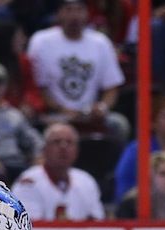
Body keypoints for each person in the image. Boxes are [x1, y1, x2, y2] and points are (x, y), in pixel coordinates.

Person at [27, 0, 129, 142]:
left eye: (79, 10)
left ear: (87, 14)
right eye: (69, 10)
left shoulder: (100, 42)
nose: (74, 16)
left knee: (119, 123)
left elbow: (111, 87)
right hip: (55, 113)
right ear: (59, 14)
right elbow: (38, 87)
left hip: (89, 114)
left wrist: (102, 108)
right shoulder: (41, 41)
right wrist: (62, 109)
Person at [11, 122, 105, 221]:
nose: (63, 147)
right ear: (45, 149)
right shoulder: (29, 182)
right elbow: (28, 226)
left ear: (77, 150)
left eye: (69, 142)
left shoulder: (86, 181)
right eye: (56, 142)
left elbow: (97, 223)